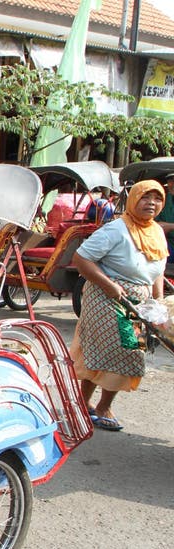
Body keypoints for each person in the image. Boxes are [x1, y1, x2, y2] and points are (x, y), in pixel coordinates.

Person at [71, 179, 168, 432]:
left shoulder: (156, 231)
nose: (151, 203)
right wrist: (109, 286)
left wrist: (158, 299)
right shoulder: (116, 229)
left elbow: (157, 266)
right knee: (116, 352)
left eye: (157, 198)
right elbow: (81, 258)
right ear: (133, 199)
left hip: (139, 302)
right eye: (145, 197)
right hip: (107, 297)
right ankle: (97, 407)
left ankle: (88, 403)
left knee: (129, 352)